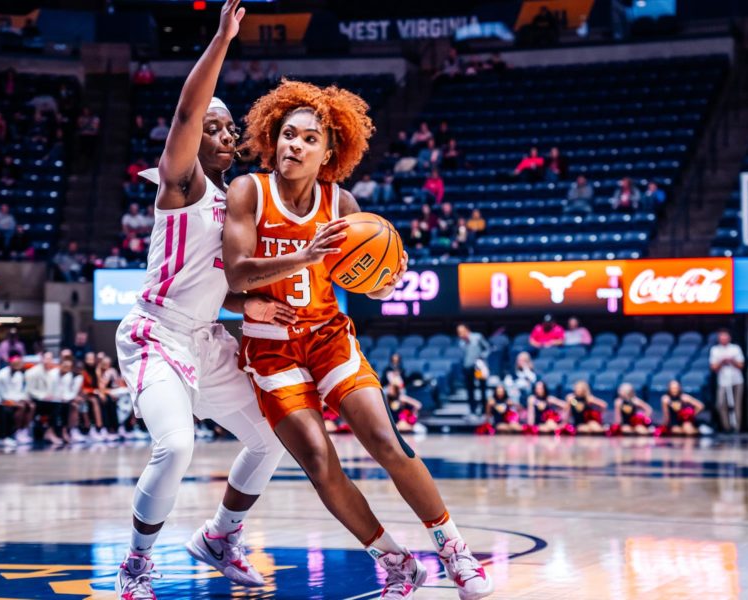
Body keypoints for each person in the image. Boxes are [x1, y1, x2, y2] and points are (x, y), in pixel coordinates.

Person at [222, 77, 494, 598]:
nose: (293, 145)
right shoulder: (247, 190)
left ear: (329, 152)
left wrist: (385, 278)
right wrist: (303, 254)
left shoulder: (340, 202)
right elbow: (235, 276)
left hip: (328, 337)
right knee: (321, 463)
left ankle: (455, 551)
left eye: (307, 139)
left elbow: (362, 281)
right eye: (287, 134)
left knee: (385, 441)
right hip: (271, 346)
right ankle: (395, 563)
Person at [111, 3, 294, 596]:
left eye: (226, 129)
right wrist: (222, 38)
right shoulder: (181, 184)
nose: (221, 134)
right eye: (211, 128)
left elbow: (228, 285)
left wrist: (253, 309)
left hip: (206, 337)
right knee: (177, 446)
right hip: (154, 334)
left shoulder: (237, 207)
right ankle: (136, 562)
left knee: (272, 438)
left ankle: (219, 535)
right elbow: (189, 109)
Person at [0, 350, 35, 445]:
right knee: (21, 407)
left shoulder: (19, 375)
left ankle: (22, 431)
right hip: (4, 400)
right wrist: (7, 401)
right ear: (10, 363)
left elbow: (19, 391)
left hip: (15, 399)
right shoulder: (1, 375)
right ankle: (15, 431)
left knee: (31, 406)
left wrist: (23, 398)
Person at [709, 329, 744, 433]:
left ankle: (737, 428)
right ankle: (726, 427)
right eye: (721, 338)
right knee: (720, 404)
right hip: (723, 381)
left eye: (725, 337)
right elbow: (713, 367)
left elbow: (741, 365)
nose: (723, 339)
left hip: (736, 380)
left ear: (729, 338)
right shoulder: (715, 350)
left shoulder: (735, 348)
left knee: (737, 405)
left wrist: (732, 360)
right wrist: (722, 362)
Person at [457, 323, 491, 417]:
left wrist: (482, 357)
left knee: (481, 387)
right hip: (468, 368)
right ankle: (473, 410)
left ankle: (484, 409)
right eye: (459, 332)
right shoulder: (461, 342)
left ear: (467, 330)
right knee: (470, 389)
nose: (460, 334)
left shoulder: (477, 337)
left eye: (462, 331)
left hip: (478, 367)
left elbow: (487, 348)